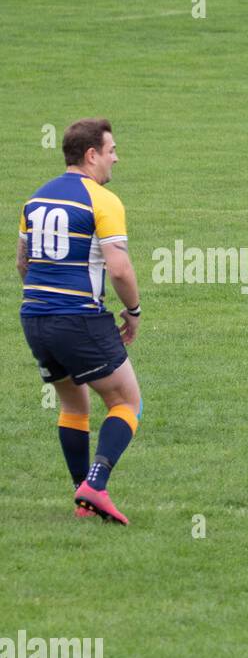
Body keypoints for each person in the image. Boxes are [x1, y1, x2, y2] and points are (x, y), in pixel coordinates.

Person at [19, 118, 143, 525]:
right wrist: (134, 311)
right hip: (78, 317)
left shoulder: (34, 200)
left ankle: (82, 497)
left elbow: (23, 263)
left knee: (74, 403)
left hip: (34, 317)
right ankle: (96, 483)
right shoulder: (102, 200)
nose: (116, 158)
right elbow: (120, 269)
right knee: (127, 401)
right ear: (91, 155)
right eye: (111, 151)